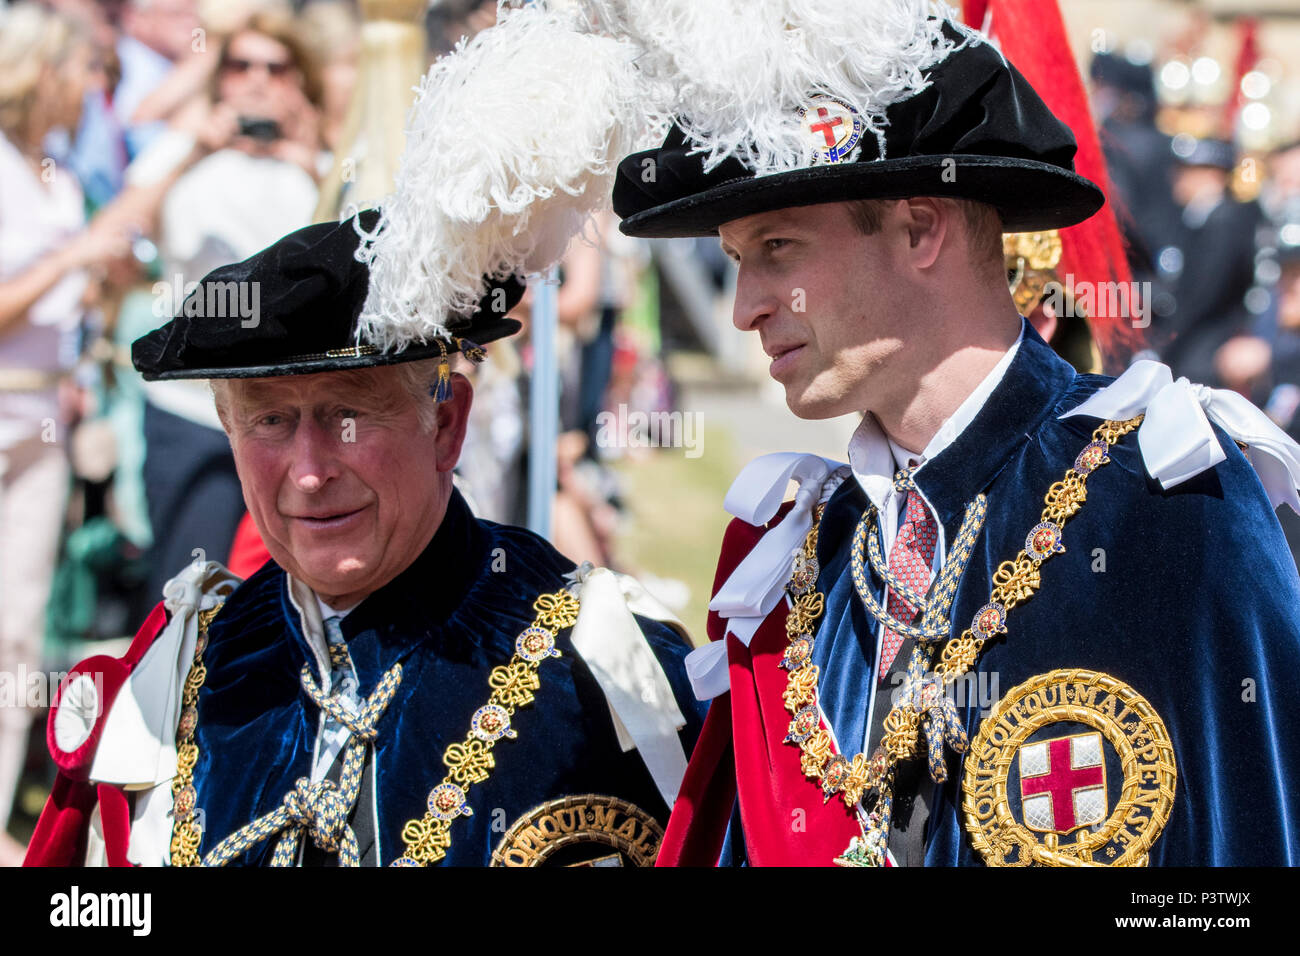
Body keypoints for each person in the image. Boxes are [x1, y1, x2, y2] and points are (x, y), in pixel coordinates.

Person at [608, 2, 1300, 866]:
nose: (745, 306)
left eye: (777, 248)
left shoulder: (1168, 496)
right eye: (737, 259)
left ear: (920, 228)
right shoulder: (811, 558)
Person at [23, 212, 703, 866]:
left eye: (348, 414)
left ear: (445, 425)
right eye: (270, 423)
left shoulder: (603, 672)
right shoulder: (184, 666)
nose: (311, 472)